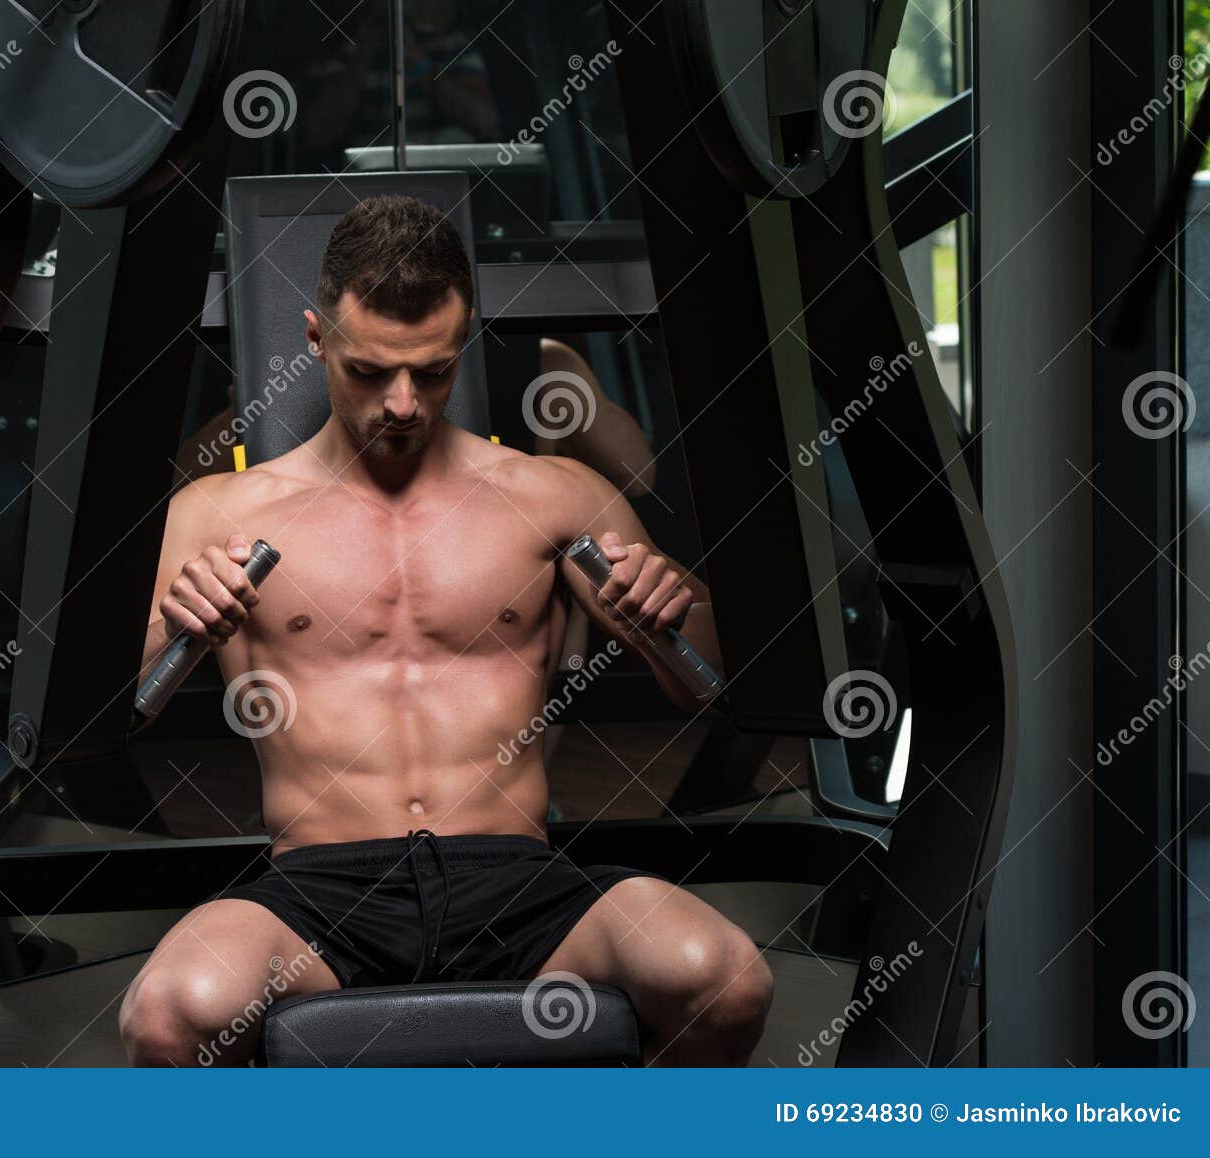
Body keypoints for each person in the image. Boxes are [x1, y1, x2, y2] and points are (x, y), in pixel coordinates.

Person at [120, 196, 772, 1067]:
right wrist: (179, 627)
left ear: (465, 341)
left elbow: (709, 684)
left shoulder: (553, 495)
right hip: (320, 890)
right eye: (369, 371)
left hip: (522, 881)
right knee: (168, 1014)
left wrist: (668, 611)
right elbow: (110, 717)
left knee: (724, 979)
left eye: (431, 372)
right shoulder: (217, 513)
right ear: (315, 339)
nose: (402, 404)